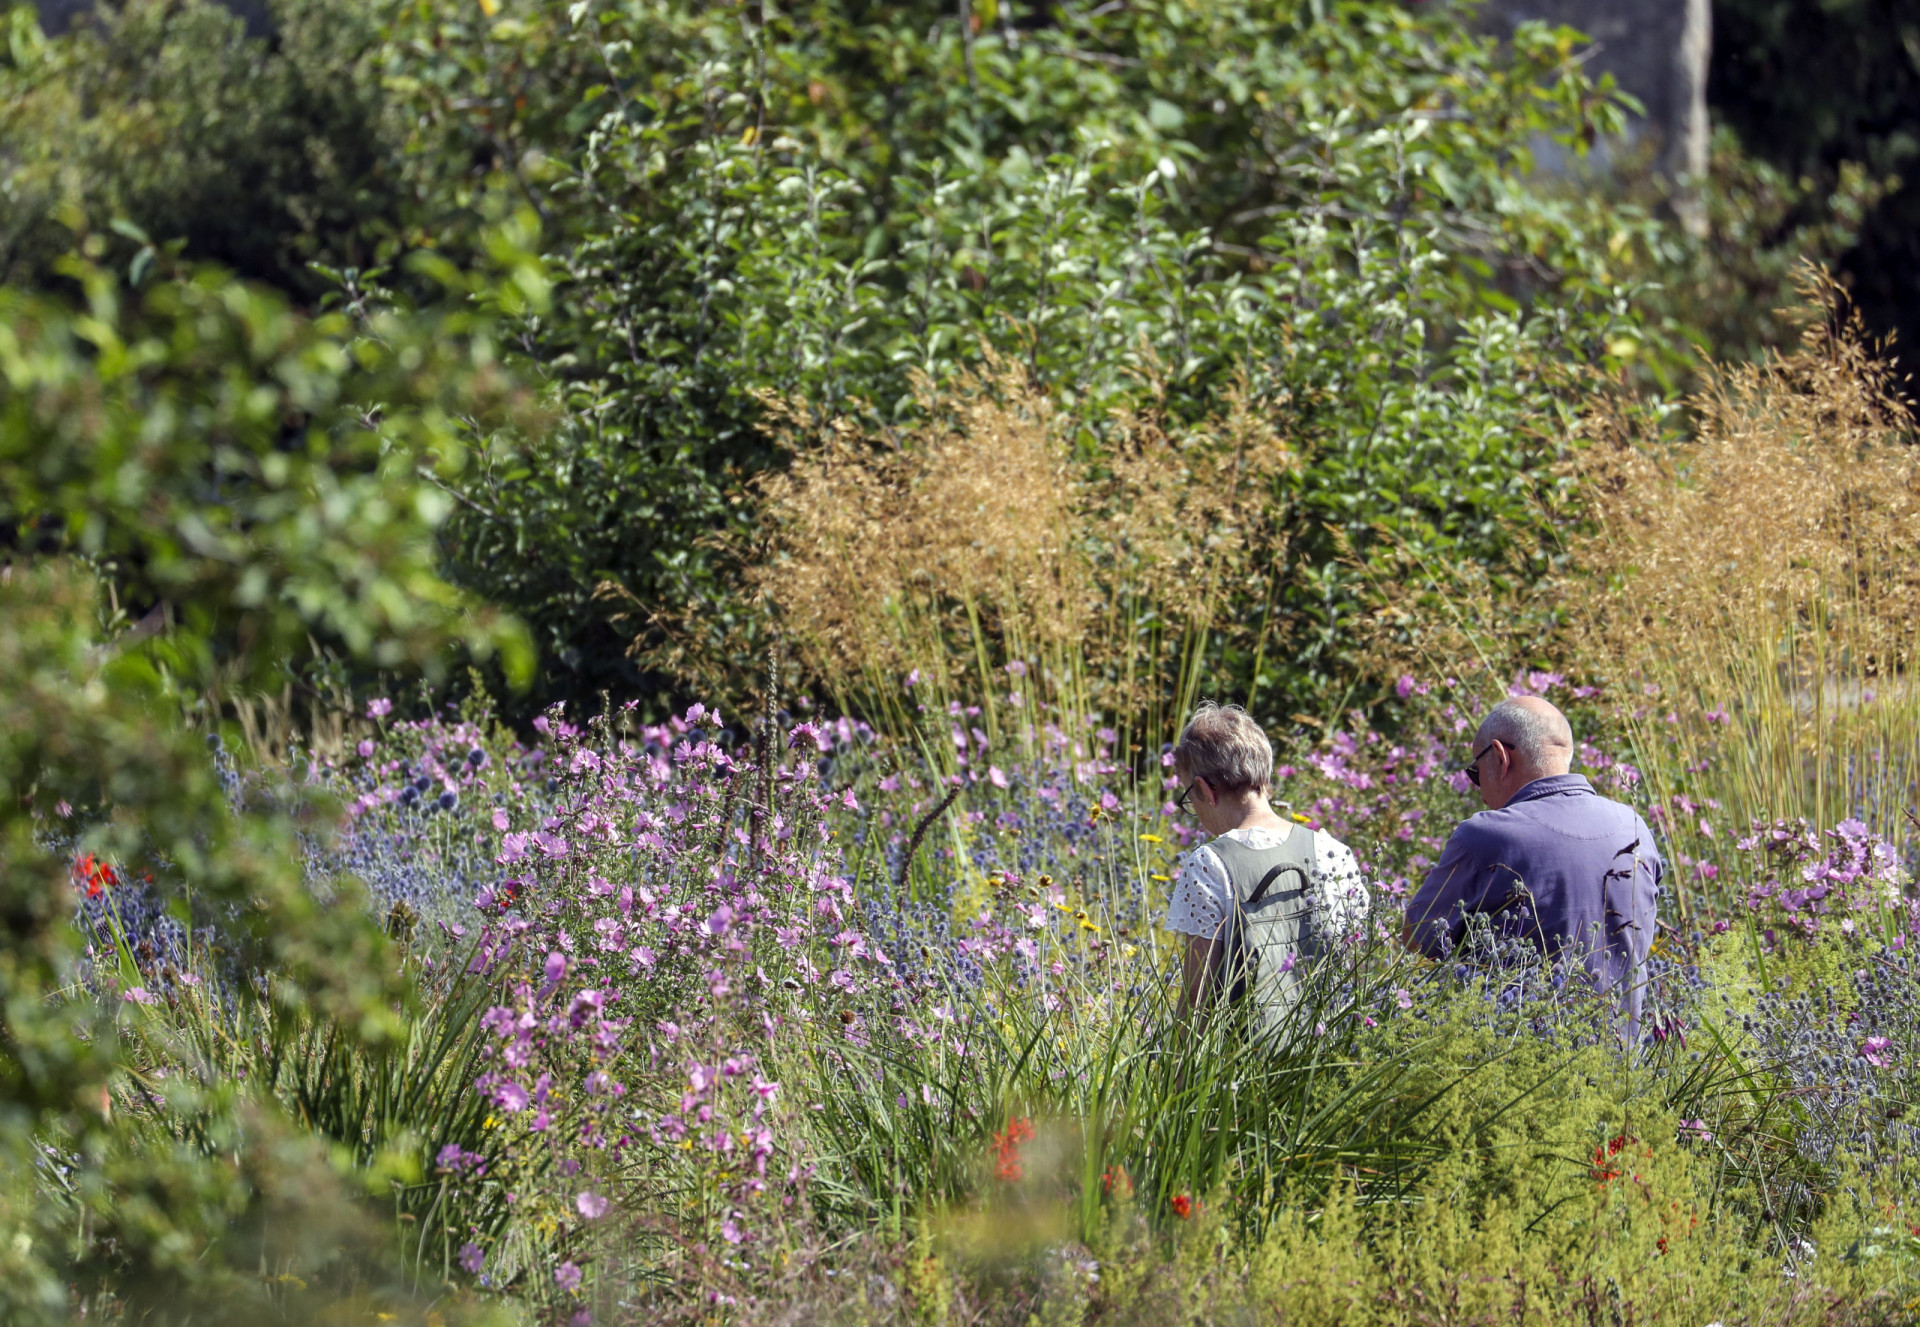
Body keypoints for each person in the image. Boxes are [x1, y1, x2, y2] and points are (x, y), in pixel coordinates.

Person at [1406, 695, 1662, 1035]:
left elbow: (1418, 937)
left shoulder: (1486, 836)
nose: (1480, 791)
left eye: (1475, 773)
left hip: (1517, 1069)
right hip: (1623, 1068)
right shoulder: (1635, 827)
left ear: (1500, 756)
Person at [1164, 701, 1368, 1037]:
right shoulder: (1332, 852)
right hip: (1331, 1060)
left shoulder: (1209, 864)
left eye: (1190, 796)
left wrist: (1178, 1082)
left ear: (1204, 789)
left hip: (1244, 1072)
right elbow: (1354, 964)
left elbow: (1196, 999)